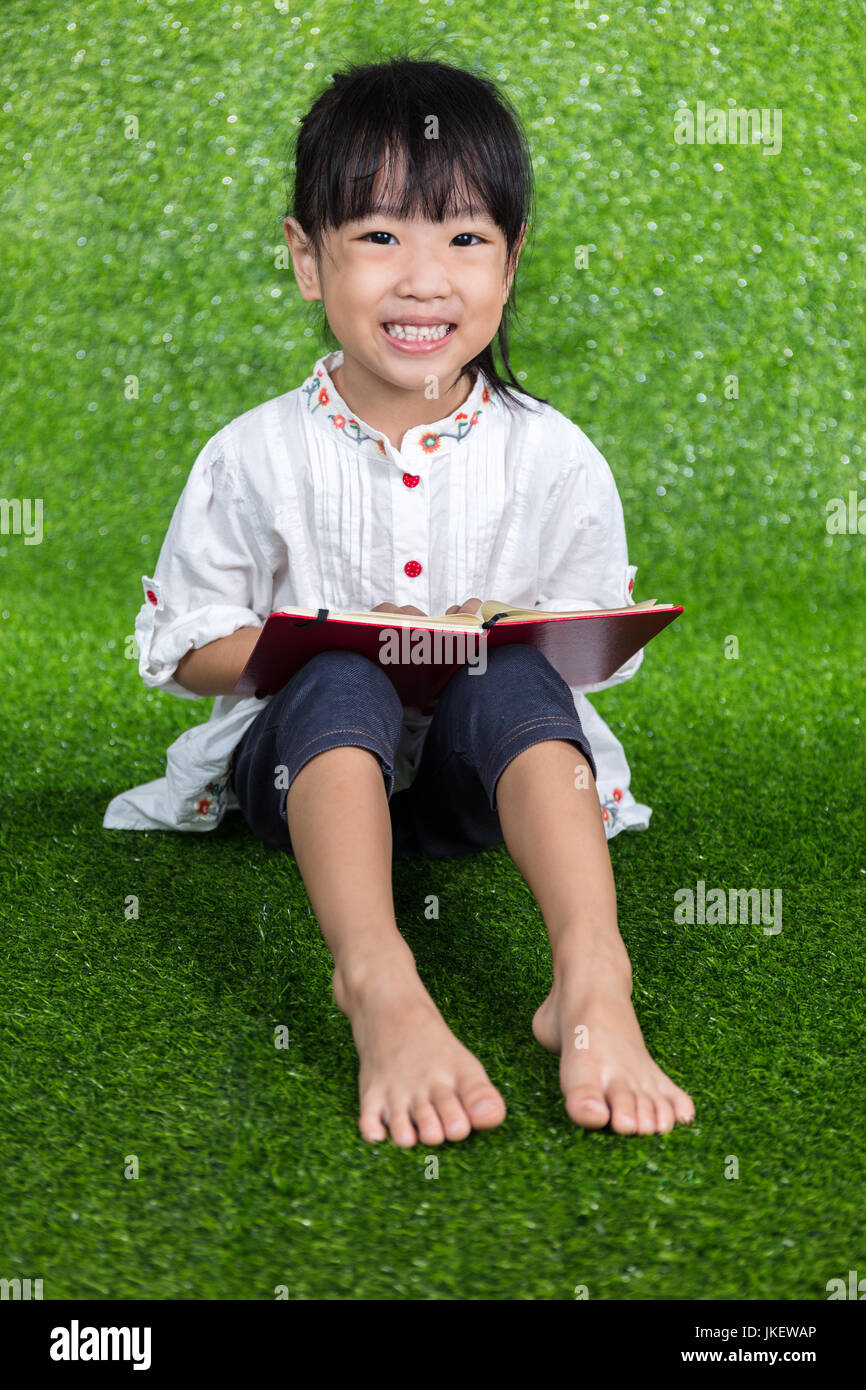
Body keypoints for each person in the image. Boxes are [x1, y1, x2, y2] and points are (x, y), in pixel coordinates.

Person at [104, 54, 694, 1147]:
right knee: (336, 676)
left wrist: (495, 633)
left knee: (510, 673)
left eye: (464, 238)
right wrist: (345, 644)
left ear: (509, 266)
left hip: (483, 779)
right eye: (378, 236)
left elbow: (593, 655)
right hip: (311, 769)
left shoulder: (552, 455)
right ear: (304, 259)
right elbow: (183, 646)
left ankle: (590, 978)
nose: (423, 279)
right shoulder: (252, 456)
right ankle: (377, 979)